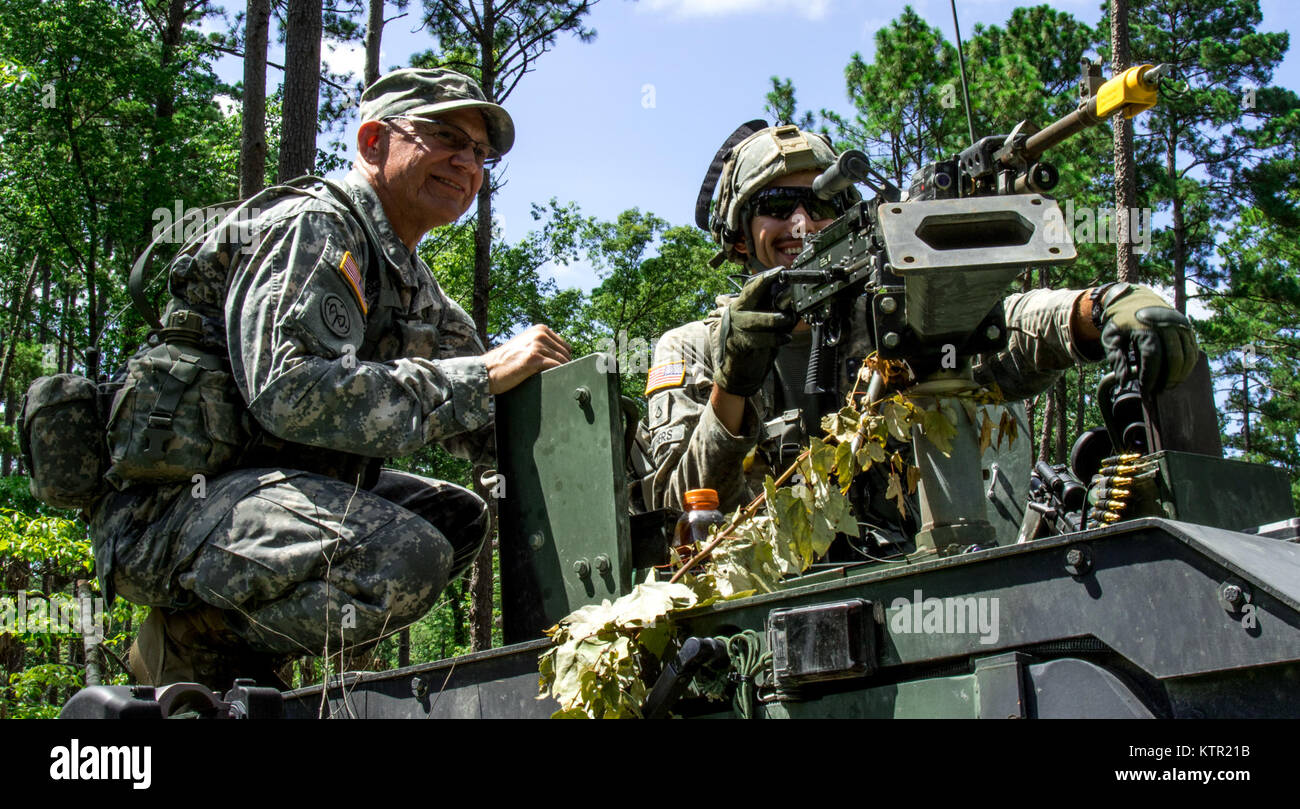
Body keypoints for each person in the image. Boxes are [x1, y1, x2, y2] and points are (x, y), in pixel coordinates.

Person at [91, 68, 571, 688]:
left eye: (481, 153)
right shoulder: (312, 227)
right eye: (446, 137)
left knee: (459, 520)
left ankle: (240, 651)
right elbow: (287, 393)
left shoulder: (415, 289)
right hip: (170, 513)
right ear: (374, 143)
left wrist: (624, 481)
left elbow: (492, 426)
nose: (468, 163)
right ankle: (194, 635)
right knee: (404, 555)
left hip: (267, 503)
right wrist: (480, 375)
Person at [643, 124, 1196, 543]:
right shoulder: (693, 348)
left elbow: (997, 327)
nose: (802, 225)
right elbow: (677, 508)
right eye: (778, 206)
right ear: (740, 235)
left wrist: (1099, 308)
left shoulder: (879, 321)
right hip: (757, 613)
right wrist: (733, 384)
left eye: (823, 203)